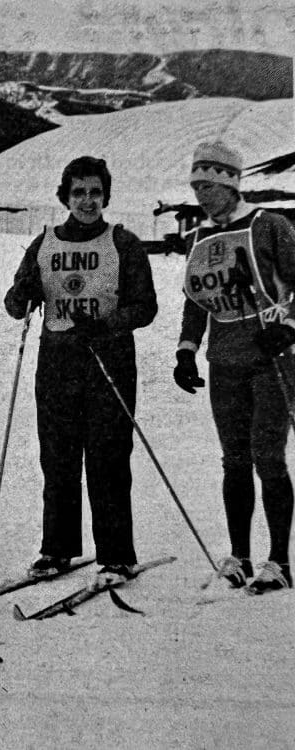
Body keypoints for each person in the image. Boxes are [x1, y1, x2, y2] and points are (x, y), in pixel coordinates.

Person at [4, 156, 158, 587]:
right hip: (56, 363)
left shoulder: (122, 243)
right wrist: (25, 290)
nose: (87, 201)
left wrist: (107, 324)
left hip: (107, 362)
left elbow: (145, 306)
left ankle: (116, 555)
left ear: (105, 195)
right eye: (78, 193)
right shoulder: (45, 242)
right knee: (58, 459)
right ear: (65, 197)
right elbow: (15, 306)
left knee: (109, 459)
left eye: (95, 192)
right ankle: (56, 548)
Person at [172, 140, 295, 594]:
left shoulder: (270, 226)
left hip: (270, 359)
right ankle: (239, 556)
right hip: (224, 362)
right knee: (234, 462)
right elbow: (195, 300)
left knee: (268, 458)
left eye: (208, 185)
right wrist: (186, 350)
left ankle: (279, 561)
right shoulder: (201, 238)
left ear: (230, 183)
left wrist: (289, 326)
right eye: (196, 186)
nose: (201, 195)